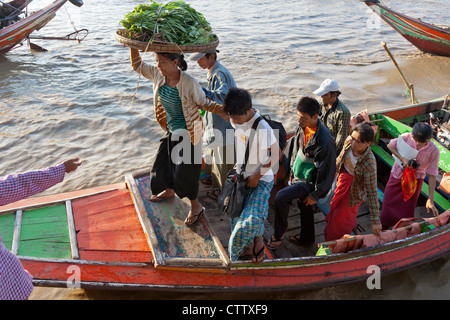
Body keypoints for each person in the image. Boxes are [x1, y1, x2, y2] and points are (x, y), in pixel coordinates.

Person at [130, 48, 225, 226]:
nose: (158, 66)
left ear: (175, 63)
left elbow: (205, 103)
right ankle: (169, 190)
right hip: (171, 129)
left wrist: (226, 113)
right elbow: (137, 65)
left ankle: (196, 207)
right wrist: (132, 45)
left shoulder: (189, 82)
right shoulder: (159, 75)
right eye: (157, 62)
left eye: (162, 63)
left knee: (185, 175)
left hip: (189, 133)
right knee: (161, 165)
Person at [0, 158, 82, 300]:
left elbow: (19, 183)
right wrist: (61, 169)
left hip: (9, 280)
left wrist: (60, 170)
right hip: (9, 281)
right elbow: (20, 183)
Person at [268, 97, 336, 249]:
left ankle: (280, 231)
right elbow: (295, 148)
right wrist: (290, 169)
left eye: (303, 118)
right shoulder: (302, 126)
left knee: (281, 197)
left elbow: (327, 171)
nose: (299, 121)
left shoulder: (325, 141)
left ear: (315, 117)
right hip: (298, 172)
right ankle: (307, 238)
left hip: (310, 181)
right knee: (304, 205)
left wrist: (315, 194)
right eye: (298, 116)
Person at [222, 88, 279, 264]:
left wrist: (257, 175)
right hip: (241, 177)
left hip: (260, 180)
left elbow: (276, 155)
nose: (233, 122)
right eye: (231, 117)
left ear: (248, 112)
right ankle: (249, 244)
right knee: (236, 214)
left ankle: (258, 240)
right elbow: (226, 114)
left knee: (250, 222)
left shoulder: (262, 127)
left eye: (237, 118)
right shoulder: (237, 118)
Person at [189, 49, 236, 200]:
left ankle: (223, 191)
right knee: (211, 151)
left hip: (223, 123)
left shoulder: (219, 73)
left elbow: (222, 96)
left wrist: (200, 92)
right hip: (214, 121)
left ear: (212, 57)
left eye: (201, 59)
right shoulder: (212, 71)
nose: (198, 62)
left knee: (222, 158)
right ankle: (211, 177)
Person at [323, 123, 382, 241]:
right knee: (335, 208)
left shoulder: (369, 164)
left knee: (342, 220)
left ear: (368, 143)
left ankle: (335, 242)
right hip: (342, 179)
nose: (353, 143)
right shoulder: (349, 141)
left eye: (358, 142)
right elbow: (339, 159)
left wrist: (375, 222)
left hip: (354, 192)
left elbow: (372, 192)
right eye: (353, 138)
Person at [380, 122, 440, 229]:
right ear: (412, 135)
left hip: (414, 182)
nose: (417, 144)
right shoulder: (406, 137)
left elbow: (432, 174)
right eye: (415, 140)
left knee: (406, 211)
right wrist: (402, 158)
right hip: (397, 175)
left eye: (421, 143)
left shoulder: (434, 150)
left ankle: (403, 231)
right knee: (387, 205)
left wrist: (430, 199)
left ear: (428, 140)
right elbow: (390, 145)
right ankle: (383, 228)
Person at [313, 78, 351, 155]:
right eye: (322, 95)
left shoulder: (343, 113)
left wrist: (328, 153)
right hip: (321, 138)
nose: (322, 97)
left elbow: (340, 141)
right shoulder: (322, 101)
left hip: (331, 147)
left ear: (334, 94)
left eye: (325, 95)